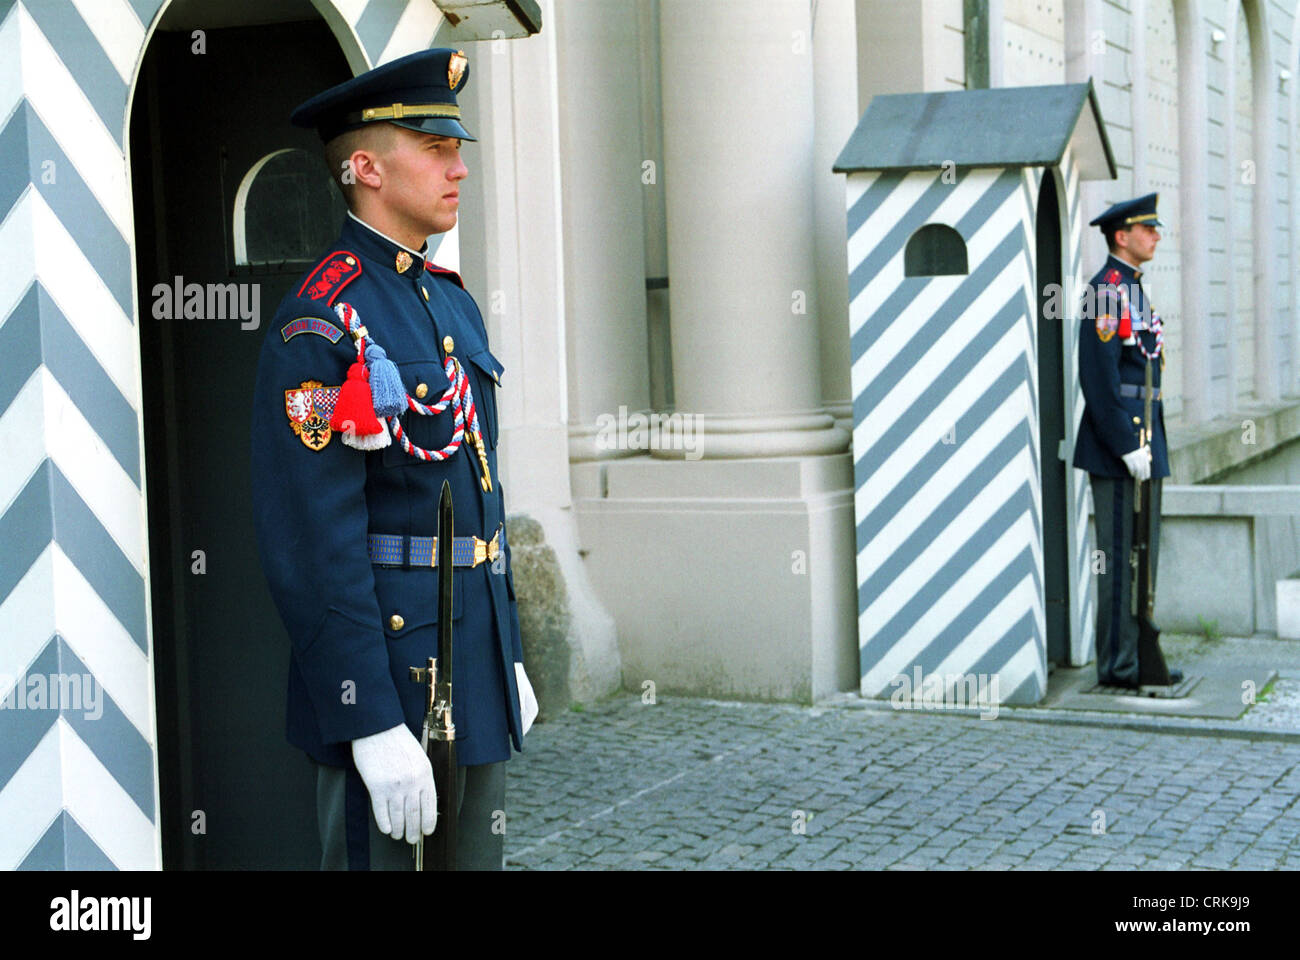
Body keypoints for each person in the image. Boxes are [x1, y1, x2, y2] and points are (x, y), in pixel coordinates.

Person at [249, 47, 538, 870]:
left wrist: (507, 653)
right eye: (437, 149)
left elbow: (477, 487)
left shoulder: (448, 300)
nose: (460, 170)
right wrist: (369, 718)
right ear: (367, 167)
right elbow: (311, 543)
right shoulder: (320, 324)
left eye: (458, 150)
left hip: (474, 665)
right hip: (386, 676)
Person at [1073, 192, 1182, 689]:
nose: (1156, 235)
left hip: (1146, 437)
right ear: (1122, 236)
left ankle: (1139, 656)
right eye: (1148, 228)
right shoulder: (1105, 293)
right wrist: (1125, 444)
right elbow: (1098, 381)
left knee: (1145, 554)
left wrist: (1149, 443)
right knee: (1117, 558)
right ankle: (1117, 666)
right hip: (1119, 445)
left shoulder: (1135, 289)